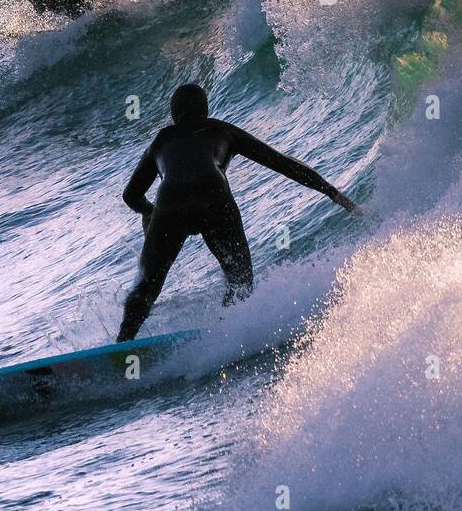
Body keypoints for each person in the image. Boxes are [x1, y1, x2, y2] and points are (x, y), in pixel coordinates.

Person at [117, 82, 359, 341]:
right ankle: (229, 337)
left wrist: (150, 213)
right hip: (214, 196)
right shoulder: (222, 130)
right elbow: (280, 162)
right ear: (205, 110)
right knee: (240, 279)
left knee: (146, 287)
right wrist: (330, 191)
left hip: (171, 202)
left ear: (174, 115)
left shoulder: (162, 140)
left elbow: (131, 195)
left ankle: (123, 345)